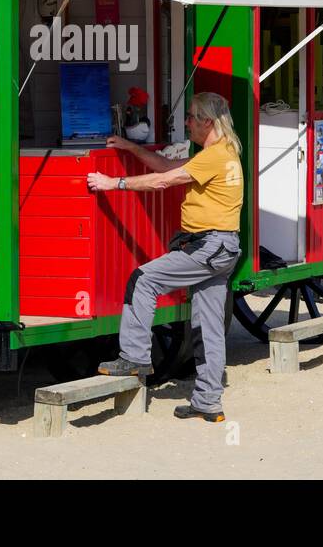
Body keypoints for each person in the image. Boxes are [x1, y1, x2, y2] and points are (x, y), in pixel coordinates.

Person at [86, 91, 244, 422]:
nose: (186, 123)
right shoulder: (224, 151)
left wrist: (112, 183)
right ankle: (208, 402)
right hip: (224, 248)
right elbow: (168, 166)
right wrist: (130, 147)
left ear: (207, 122)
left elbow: (162, 181)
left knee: (143, 279)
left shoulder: (214, 155)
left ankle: (134, 356)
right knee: (210, 327)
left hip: (208, 246)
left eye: (190, 117)